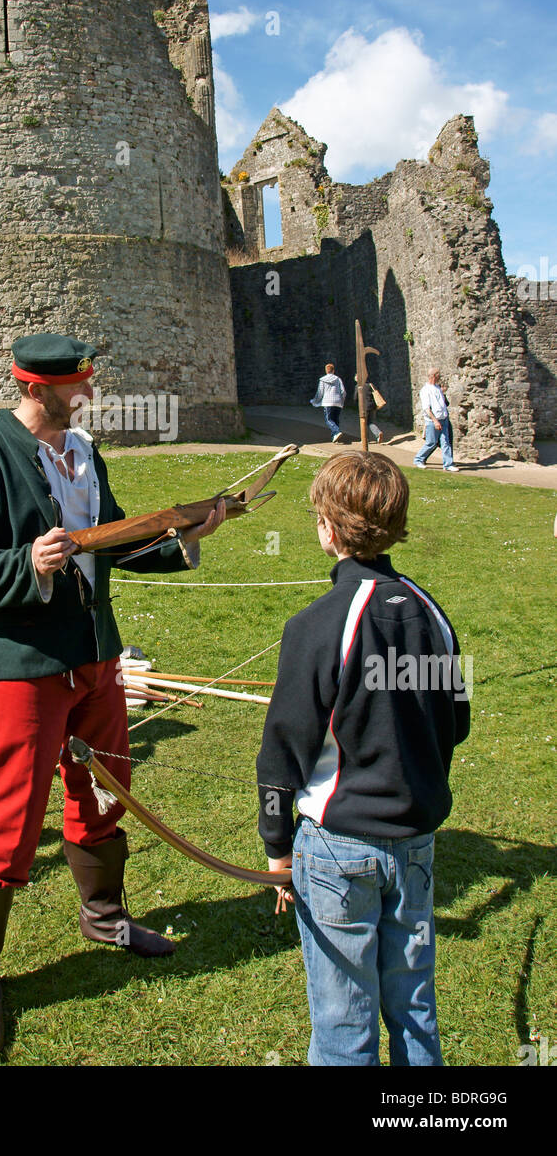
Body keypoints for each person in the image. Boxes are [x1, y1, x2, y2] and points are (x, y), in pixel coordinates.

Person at [0, 332, 225, 1059]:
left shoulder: (84, 451)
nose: (88, 394)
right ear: (36, 389)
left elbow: (114, 543)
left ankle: (105, 915)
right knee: (9, 811)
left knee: (106, 788)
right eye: (77, 387)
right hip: (28, 665)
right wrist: (22, 562)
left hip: (97, 656)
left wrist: (186, 534)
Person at [255, 452, 469, 1066]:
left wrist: (277, 847)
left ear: (328, 527)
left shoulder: (318, 626)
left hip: (337, 848)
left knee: (344, 1025)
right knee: (414, 1011)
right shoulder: (433, 617)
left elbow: (282, 754)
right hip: (415, 839)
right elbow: (454, 726)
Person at [414, 368, 459, 472]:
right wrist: (435, 421)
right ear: (434, 376)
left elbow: (442, 404)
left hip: (443, 419)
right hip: (432, 421)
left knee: (446, 442)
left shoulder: (437, 388)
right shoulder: (425, 390)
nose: (440, 376)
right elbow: (426, 408)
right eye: (439, 374)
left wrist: (445, 416)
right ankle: (418, 459)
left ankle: (448, 464)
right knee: (431, 443)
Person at [310, 363, 346, 443]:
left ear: (326, 370)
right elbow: (343, 392)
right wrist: (342, 401)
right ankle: (335, 437)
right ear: (333, 370)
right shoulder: (338, 379)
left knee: (328, 420)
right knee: (335, 420)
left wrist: (314, 401)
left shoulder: (322, 380)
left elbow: (320, 393)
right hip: (338, 402)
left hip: (327, 402)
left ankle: (336, 432)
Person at [354, 375, 383, 444]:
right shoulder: (370, 385)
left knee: (364, 423)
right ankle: (378, 434)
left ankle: (365, 439)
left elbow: (355, 397)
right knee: (370, 422)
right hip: (372, 406)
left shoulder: (358, 386)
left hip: (364, 407)